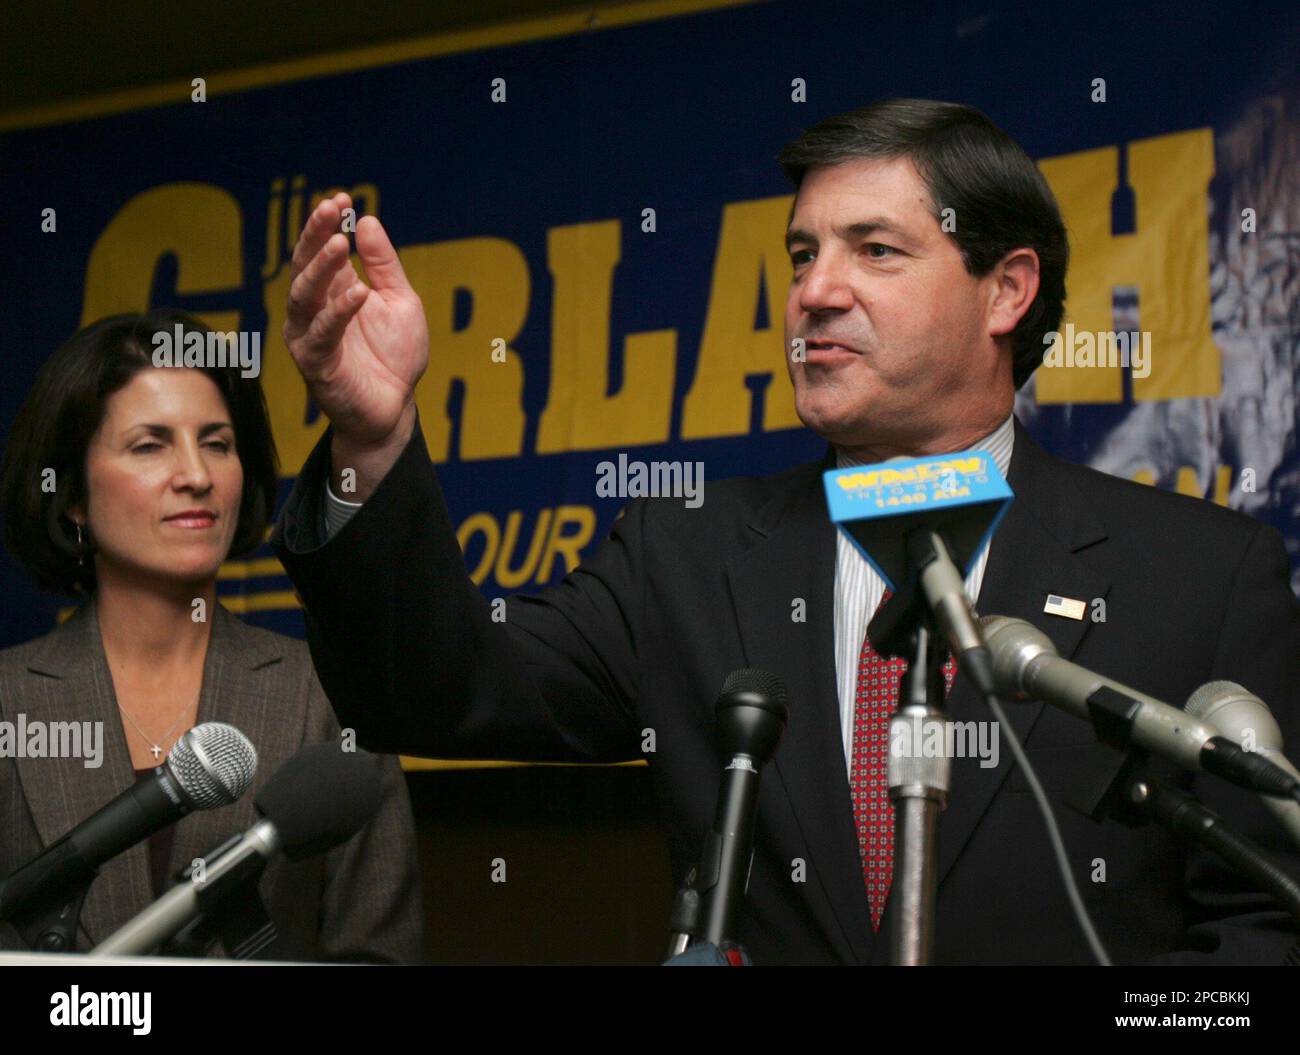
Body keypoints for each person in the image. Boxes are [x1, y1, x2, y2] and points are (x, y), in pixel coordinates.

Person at [270, 99, 1300, 964]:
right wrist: (372, 432)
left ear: (1007, 289)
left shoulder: (1201, 578)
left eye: (875, 250)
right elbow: (433, 690)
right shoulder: (685, 555)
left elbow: (1261, 926)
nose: (814, 290)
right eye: (802, 253)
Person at [0, 311, 422, 962]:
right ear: (73, 494)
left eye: (218, 443)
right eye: (150, 444)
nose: (196, 474)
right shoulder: (8, 700)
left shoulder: (327, 694)